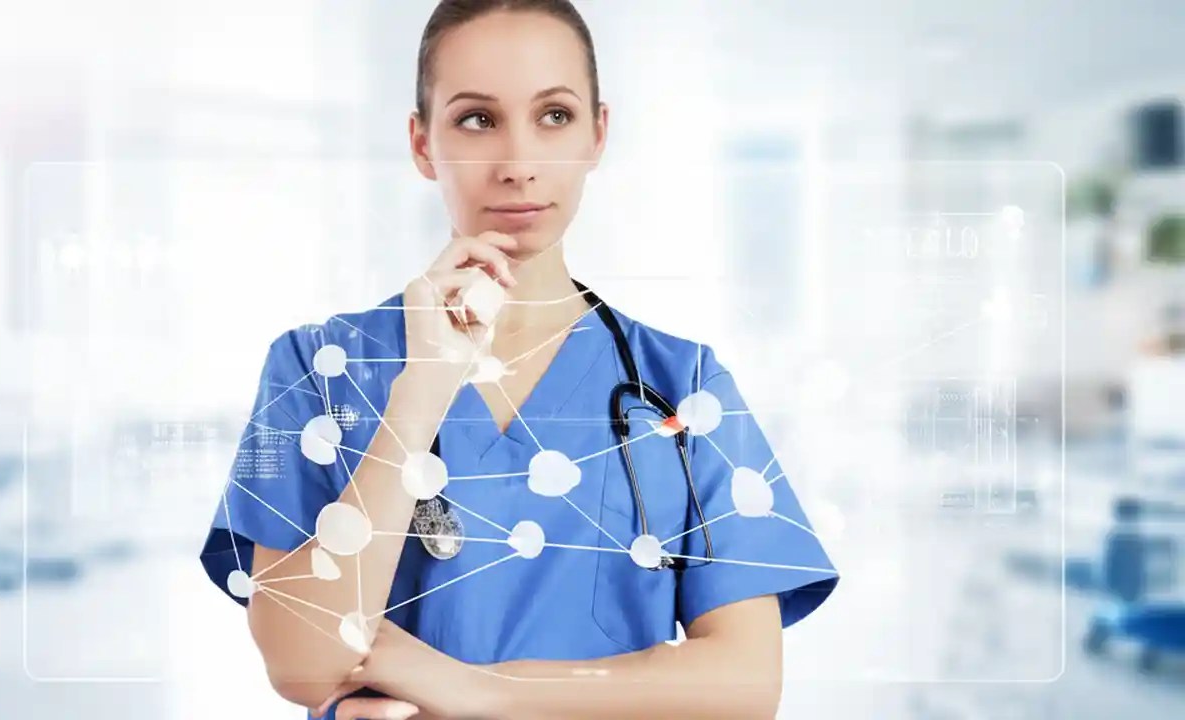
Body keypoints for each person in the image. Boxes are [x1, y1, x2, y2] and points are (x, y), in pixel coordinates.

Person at [198, 1, 839, 718]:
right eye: (477, 119)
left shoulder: (683, 386)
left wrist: (480, 692)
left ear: (599, 133)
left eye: (555, 116)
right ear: (421, 142)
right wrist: (424, 388)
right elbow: (304, 664)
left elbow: (747, 685)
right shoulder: (316, 368)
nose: (518, 165)